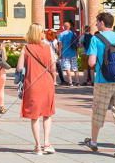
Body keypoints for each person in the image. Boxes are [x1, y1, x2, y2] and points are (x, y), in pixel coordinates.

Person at [80, 12, 115, 159]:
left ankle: (94, 142)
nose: (96, 24)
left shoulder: (96, 39)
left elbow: (91, 62)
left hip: (103, 81)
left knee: (99, 111)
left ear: (102, 23)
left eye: (97, 22)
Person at [19, 25, 56, 153]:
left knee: (34, 116)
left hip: (32, 85)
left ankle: (38, 146)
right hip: (47, 84)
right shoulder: (48, 48)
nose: (44, 34)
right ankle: (47, 143)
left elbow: (19, 68)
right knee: (47, 114)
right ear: (38, 34)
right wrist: (54, 80)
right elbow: (53, 68)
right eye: (42, 32)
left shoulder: (26, 48)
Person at [57, 22, 78, 87]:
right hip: (73, 53)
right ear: (69, 26)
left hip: (65, 53)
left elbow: (60, 45)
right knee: (75, 67)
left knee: (67, 68)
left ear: (64, 27)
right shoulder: (74, 34)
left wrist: (60, 54)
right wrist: (77, 53)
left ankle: (70, 82)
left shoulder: (61, 34)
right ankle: (77, 82)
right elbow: (76, 44)